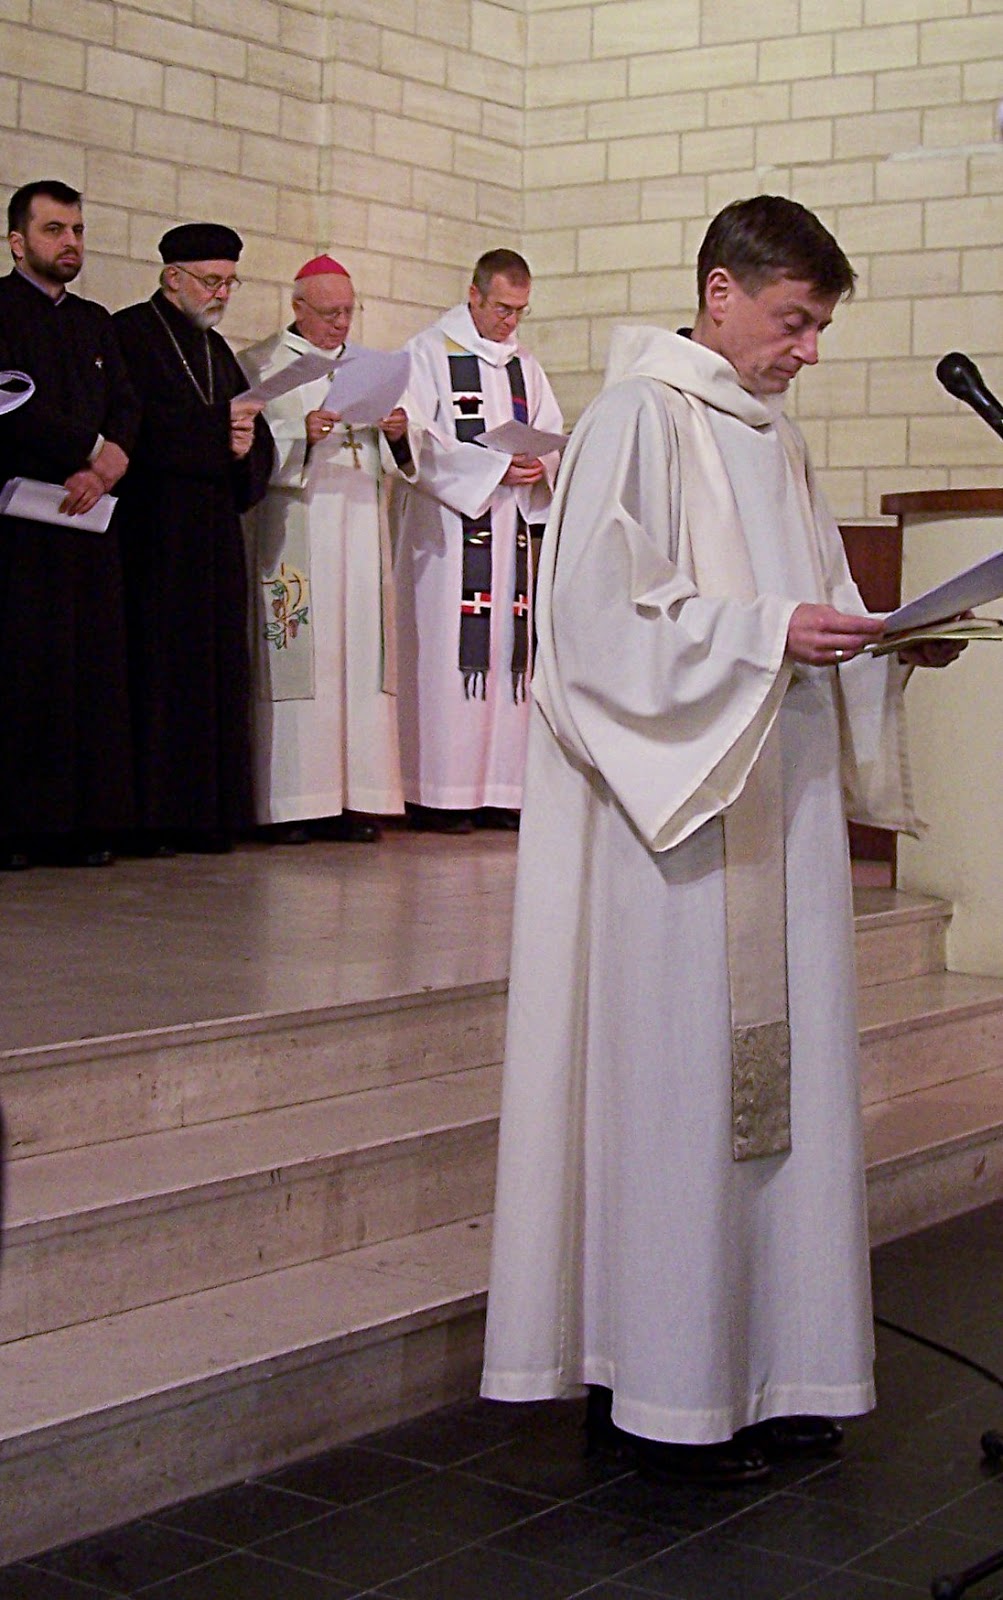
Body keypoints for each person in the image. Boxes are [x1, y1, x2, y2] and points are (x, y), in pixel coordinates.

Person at [480, 196, 965, 1485]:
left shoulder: (775, 439)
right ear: (719, 293)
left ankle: (771, 1369)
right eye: (793, 320)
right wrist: (763, 640)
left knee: (780, 1111)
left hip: (781, 817)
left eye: (816, 325)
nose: (806, 349)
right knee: (680, 1101)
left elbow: (810, 603)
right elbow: (588, 633)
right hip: (677, 836)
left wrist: (880, 643)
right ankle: (661, 1393)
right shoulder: (640, 416)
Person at [241, 255, 415, 844]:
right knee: (304, 655)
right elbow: (251, 445)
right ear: (297, 308)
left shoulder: (368, 366)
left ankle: (356, 798)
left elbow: (402, 461)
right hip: (301, 523)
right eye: (329, 313)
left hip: (362, 522)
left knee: (361, 655)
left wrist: (397, 433)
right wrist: (301, 435)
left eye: (348, 311)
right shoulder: (262, 363)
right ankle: (296, 802)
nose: (342, 323)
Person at [113, 223, 273, 853]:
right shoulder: (130, 334)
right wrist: (218, 434)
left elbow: (245, 433)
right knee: (161, 669)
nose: (222, 294)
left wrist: (242, 449)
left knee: (214, 672)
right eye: (212, 281)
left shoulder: (217, 351)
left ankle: (211, 814)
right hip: (154, 534)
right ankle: (156, 818)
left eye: (230, 282)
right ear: (172, 277)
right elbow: (138, 427)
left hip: (212, 534)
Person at [391, 248, 563, 833]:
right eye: (500, 308)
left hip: (510, 529)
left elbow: (549, 437)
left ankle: (499, 791)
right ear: (473, 294)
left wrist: (541, 465)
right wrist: (491, 470)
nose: (509, 322)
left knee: (505, 657)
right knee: (447, 655)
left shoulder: (525, 367)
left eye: (520, 311)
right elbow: (413, 443)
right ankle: (438, 793)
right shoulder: (428, 352)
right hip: (447, 537)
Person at [0, 179, 139, 870]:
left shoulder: (95, 322)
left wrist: (108, 466)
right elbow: (10, 406)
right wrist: (88, 452)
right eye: (55, 230)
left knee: (92, 675)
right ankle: (20, 828)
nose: (71, 243)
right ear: (18, 241)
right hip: (21, 530)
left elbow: (125, 404)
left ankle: (87, 823)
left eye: (78, 230)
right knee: (26, 675)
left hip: (91, 521)